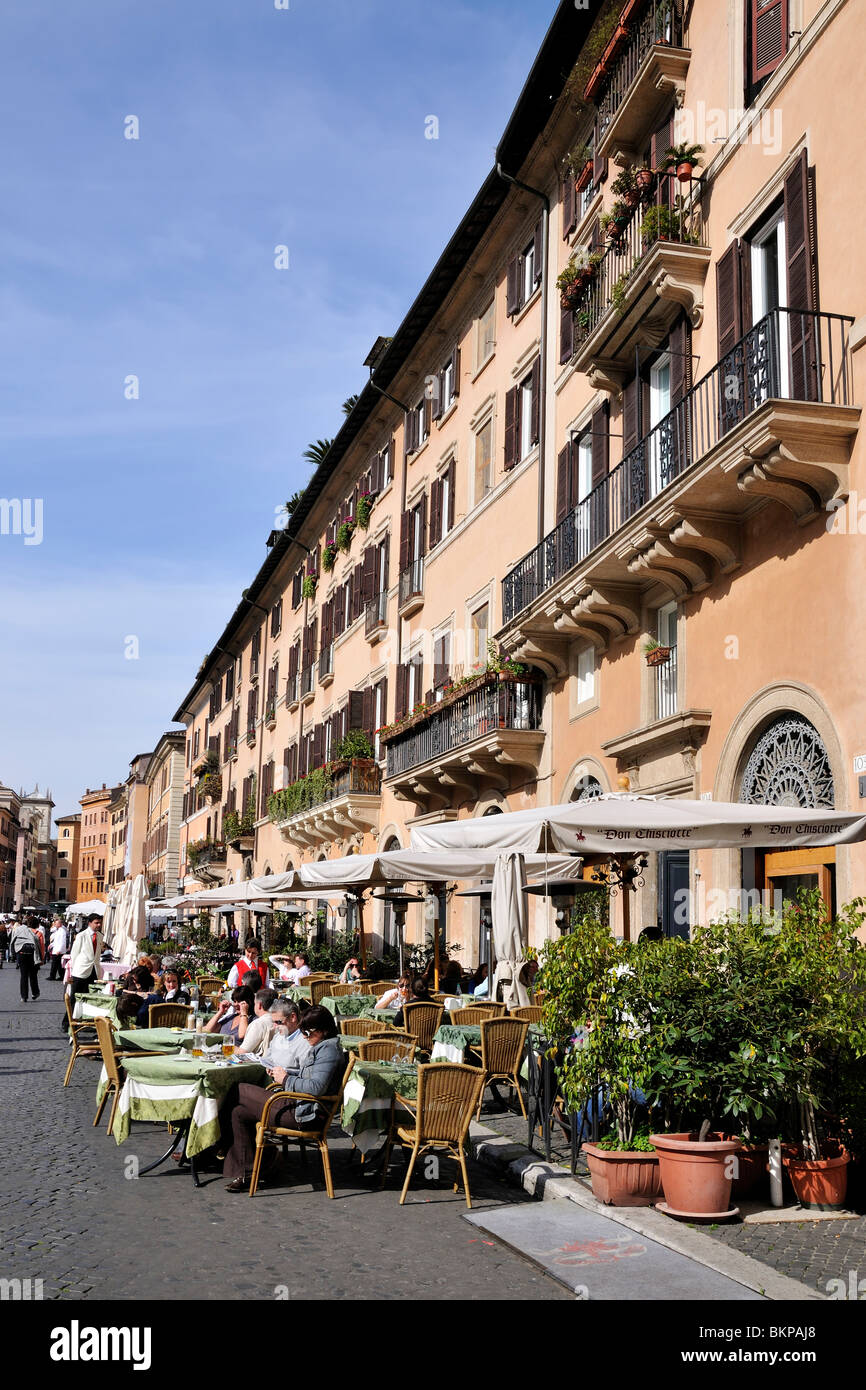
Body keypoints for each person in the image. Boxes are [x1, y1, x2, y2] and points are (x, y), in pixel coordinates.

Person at [222, 1005, 342, 1191]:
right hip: (298, 1104)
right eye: (302, 1032)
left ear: (324, 1029)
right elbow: (309, 1078)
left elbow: (316, 1087)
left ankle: (220, 1146)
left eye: (308, 1032)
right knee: (239, 1112)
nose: (304, 1036)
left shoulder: (328, 1050)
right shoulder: (322, 1045)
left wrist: (285, 1079)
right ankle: (252, 1169)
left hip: (305, 1113)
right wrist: (286, 1074)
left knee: (237, 1089)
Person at [10, 916, 44, 1001]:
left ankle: (24, 996)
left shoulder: (18, 929)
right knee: (33, 975)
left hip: (21, 953)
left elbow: (12, 940)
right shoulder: (38, 933)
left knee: (23, 975)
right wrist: (41, 959)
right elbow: (42, 947)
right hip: (33, 954)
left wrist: (13, 954)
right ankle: (35, 993)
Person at [237, 988, 278, 1056]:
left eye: (255, 1003)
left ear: (259, 1005)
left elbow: (242, 1052)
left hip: (259, 1065)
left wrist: (223, 1048)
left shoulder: (259, 1024)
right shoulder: (282, 1022)